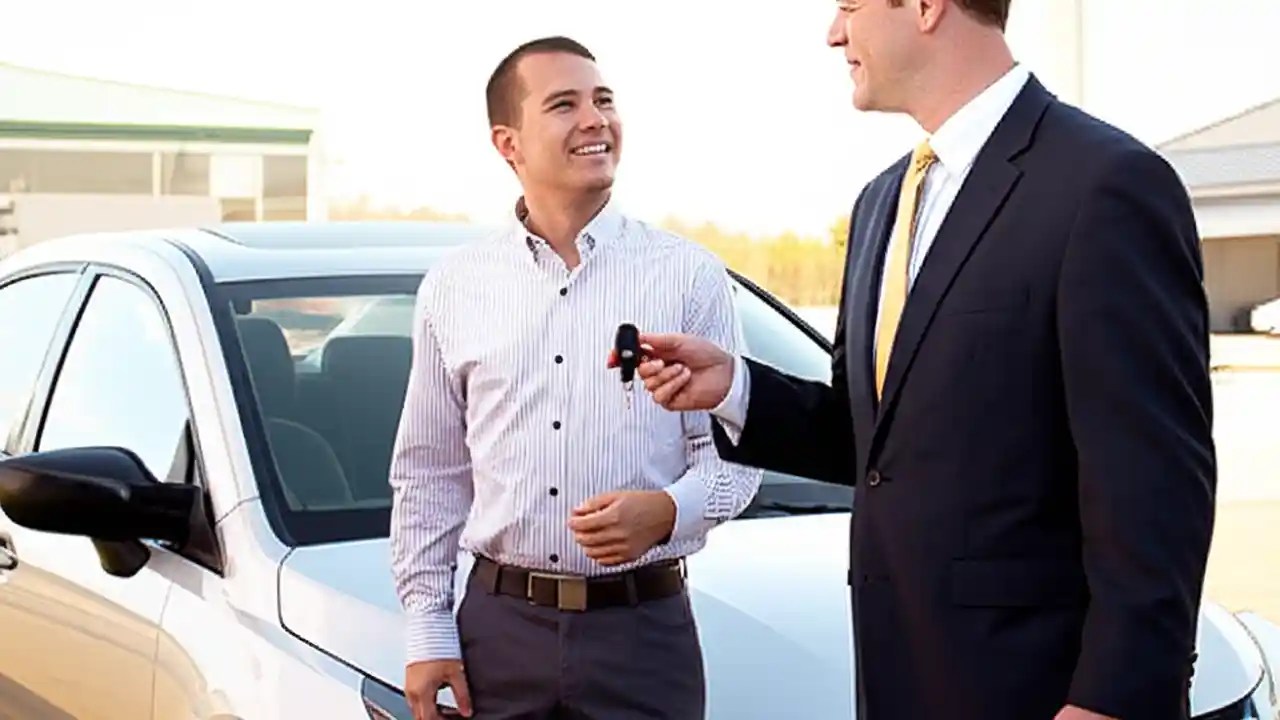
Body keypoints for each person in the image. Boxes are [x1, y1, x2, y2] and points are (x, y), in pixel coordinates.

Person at [629, 2, 1216, 719]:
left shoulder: (1105, 185)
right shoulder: (882, 202)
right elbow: (881, 444)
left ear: (927, 7)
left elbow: (1155, 485)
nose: (834, 33)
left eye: (850, 5)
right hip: (900, 675)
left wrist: (1112, 700)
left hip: (1035, 687)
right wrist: (737, 389)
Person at [388, 35, 762, 720]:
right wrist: (428, 627)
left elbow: (737, 457)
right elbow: (430, 473)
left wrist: (667, 511)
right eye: (564, 105)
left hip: (644, 637)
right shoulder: (455, 287)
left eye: (604, 100)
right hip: (497, 638)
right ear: (508, 144)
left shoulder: (688, 276)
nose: (596, 119)